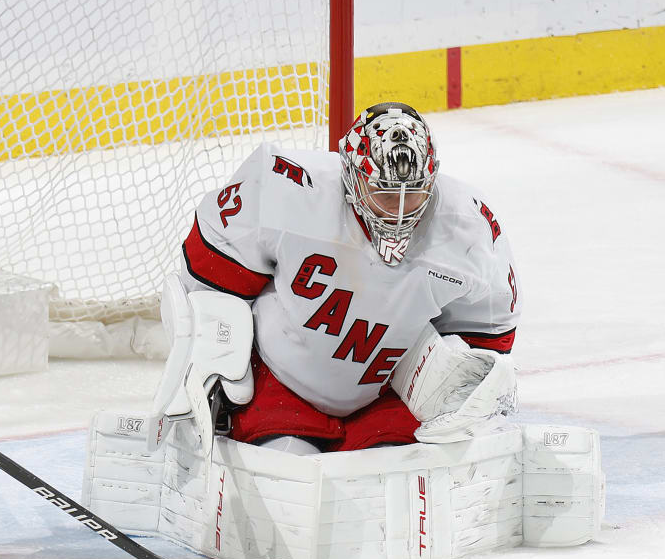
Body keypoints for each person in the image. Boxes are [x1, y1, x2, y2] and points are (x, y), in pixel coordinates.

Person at [159, 101, 521, 455]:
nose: (397, 210)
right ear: (351, 176)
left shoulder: (470, 230)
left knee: (389, 487)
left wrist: (460, 377)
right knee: (285, 473)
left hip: (384, 398)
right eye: (382, 193)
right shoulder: (290, 190)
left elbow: (488, 338)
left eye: (412, 195)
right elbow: (210, 272)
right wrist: (217, 347)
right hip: (281, 385)